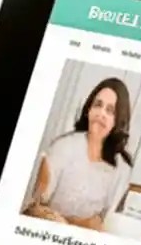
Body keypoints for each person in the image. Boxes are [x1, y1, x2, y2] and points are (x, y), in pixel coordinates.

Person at [23, 77, 135, 231]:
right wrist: (77, 223)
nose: (101, 113)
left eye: (110, 111)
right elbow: (34, 209)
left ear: (118, 120)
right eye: (98, 105)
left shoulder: (122, 169)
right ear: (89, 109)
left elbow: (106, 226)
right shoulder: (62, 147)